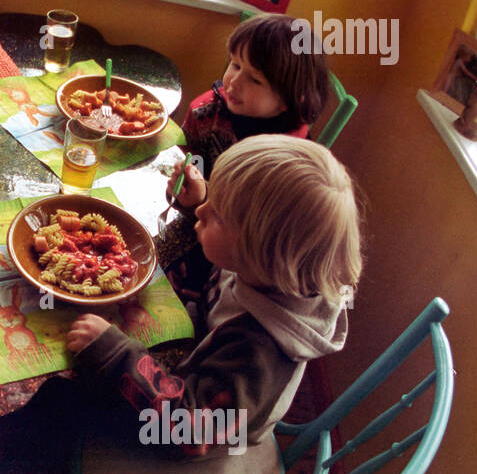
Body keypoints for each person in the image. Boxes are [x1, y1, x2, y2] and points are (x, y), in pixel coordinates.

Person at [66, 135, 362, 457]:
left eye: (218, 214)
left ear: (257, 253)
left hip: (190, 435)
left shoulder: (256, 356)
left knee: (74, 399)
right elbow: (229, 248)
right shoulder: (270, 272)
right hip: (199, 358)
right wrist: (199, 204)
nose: (205, 210)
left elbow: (186, 432)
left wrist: (117, 356)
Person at [161, 13, 330, 301]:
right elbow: (187, 155)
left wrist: (205, 201)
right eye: (235, 64)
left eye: (254, 79)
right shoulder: (207, 112)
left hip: (233, 269)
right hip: (193, 222)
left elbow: (254, 239)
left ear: (290, 99)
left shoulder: (286, 162)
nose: (234, 82)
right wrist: (188, 184)